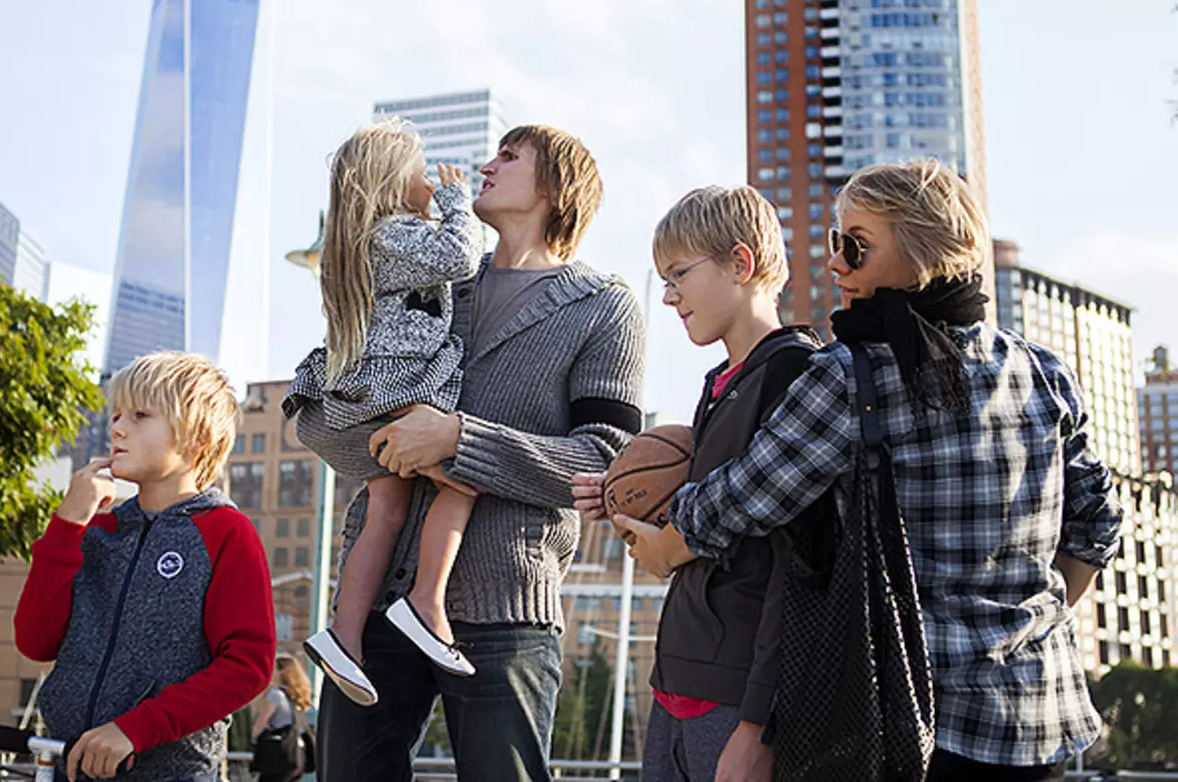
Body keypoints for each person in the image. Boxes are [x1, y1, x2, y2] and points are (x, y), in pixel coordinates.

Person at [620, 159, 1124, 781]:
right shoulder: (1044, 372)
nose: (835, 263)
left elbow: (732, 503)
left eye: (855, 246)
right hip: (1038, 722)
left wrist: (666, 527)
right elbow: (1098, 524)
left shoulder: (852, 376)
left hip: (908, 721)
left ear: (923, 249)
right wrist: (1031, 625)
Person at [314, 124, 646, 782]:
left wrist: (459, 440)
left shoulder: (605, 308)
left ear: (555, 186)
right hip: (378, 603)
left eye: (509, 155)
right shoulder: (436, 276)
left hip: (507, 612)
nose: (486, 164)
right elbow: (342, 401)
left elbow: (604, 458)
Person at [572, 184, 828, 782]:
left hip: (737, 690)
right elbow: (703, 515)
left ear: (740, 264)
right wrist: (627, 503)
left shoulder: (795, 372)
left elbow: (795, 564)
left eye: (679, 274)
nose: (667, 296)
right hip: (677, 677)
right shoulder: (717, 383)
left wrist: (758, 722)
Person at [283, 118, 485, 704]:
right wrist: (453, 199)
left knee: (387, 505)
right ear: (391, 181)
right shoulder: (391, 234)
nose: (429, 175)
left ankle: (344, 634)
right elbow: (461, 257)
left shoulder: (362, 241)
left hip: (369, 385)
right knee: (464, 478)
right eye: (419, 167)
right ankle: (426, 602)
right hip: (394, 388)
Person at [14, 351, 276, 781]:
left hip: (172, 773)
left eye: (140, 415)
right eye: (116, 414)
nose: (116, 428)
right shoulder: (96, 530)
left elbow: (247, 667)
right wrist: (66, 526)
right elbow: (35, 641)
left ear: (198, 437)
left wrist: (134, 730)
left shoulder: (227, 532)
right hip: (68, 765)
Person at [252, 654, 314, 782]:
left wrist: (253, 737)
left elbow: (260, 724)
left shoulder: (276, 695)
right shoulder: (298, 699)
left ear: (281, 672)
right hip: (298, 756)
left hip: (278, 758)